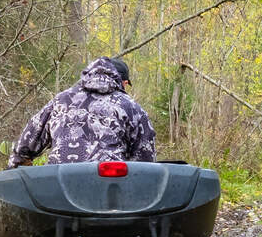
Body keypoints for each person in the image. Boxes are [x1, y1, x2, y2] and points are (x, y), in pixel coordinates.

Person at [8, 56, 156, 167]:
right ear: (121, 81)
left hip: (57, 187)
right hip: (109, 189)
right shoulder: (131, 107)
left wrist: (15, 179)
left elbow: (23, 149)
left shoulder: (60, 100)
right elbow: (145, 164)